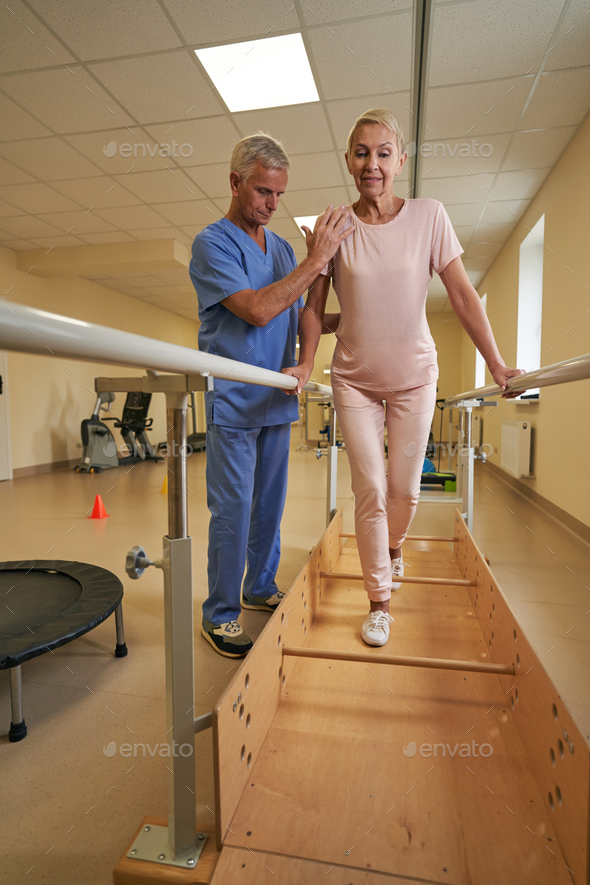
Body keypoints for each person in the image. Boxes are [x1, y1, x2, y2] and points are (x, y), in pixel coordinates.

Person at [283, 109, 525, 648]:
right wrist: (304, 364)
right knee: (369, 487)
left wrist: (497, 362)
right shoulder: (334, 227)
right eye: (362, 153)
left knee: (404, 489)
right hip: (353, 380)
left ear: (401, 160)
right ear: (348, 161)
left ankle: (394, 549)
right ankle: (379, 601)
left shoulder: (429, 217)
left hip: (416, 377)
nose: (373, 164)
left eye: (383, 153)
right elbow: (313, 306)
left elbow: (462, 294)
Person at [189, 133, 349, 658]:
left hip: (277, 399)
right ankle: (221, 613)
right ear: (235, 183)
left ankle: (259, 586)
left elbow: (300, 313)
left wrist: (359, 320)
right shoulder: (212, 244)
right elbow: (258, 309)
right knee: (233, 509)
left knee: (269, 507)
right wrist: (316, 258)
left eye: (279, 194)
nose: (273, 204)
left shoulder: (280, 248)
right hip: (235, 401)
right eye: (262, 192)